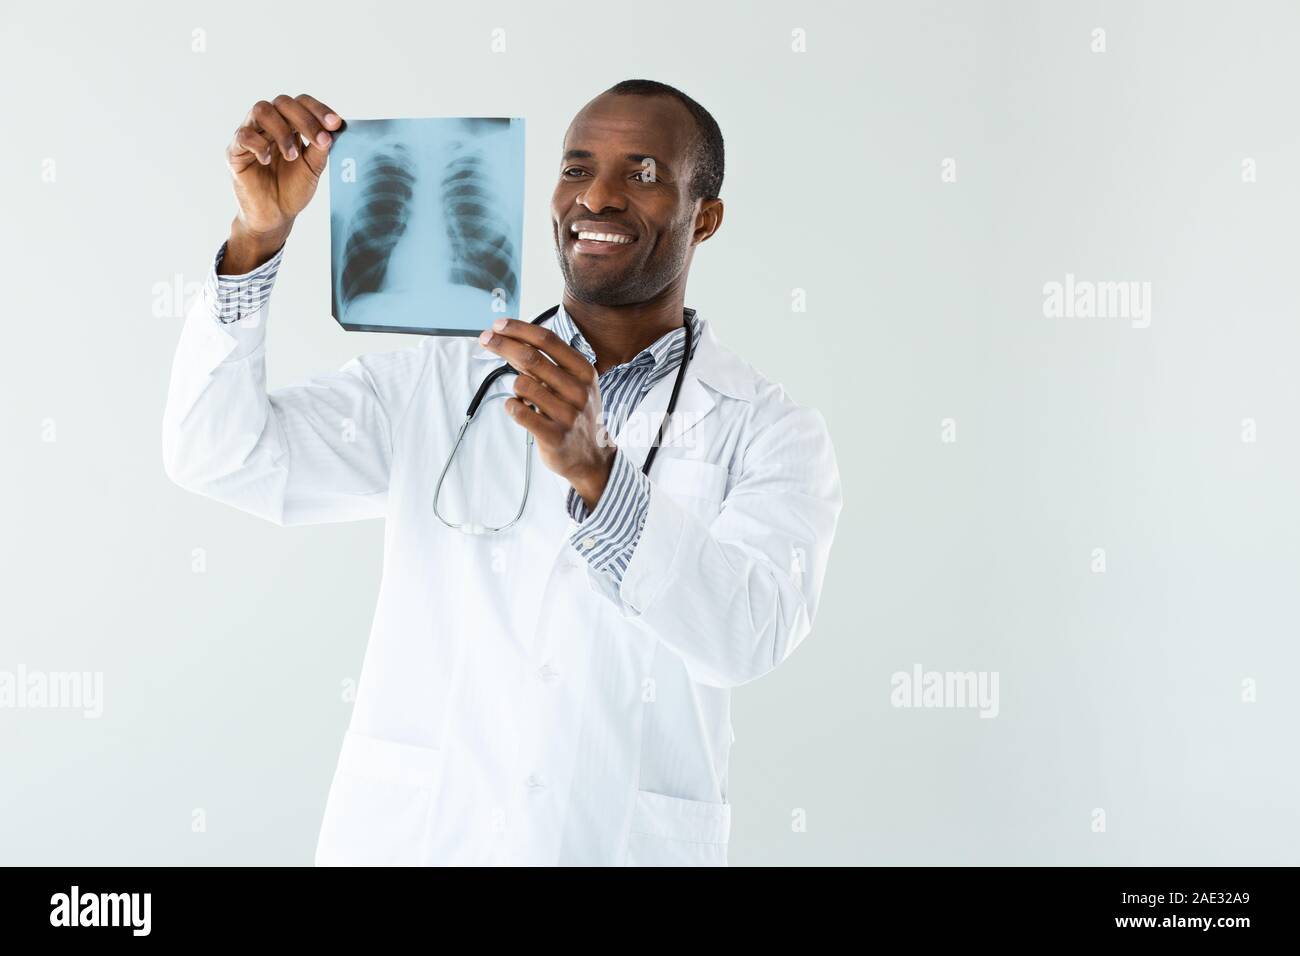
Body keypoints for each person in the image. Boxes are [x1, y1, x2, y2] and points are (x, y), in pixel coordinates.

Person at [162, 80, 842, 866]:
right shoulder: (442, 380)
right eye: (577, 168)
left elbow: (745, 638)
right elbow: (219, 454)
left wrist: (603, 478)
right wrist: (256, 239)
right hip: (424, 838)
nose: (600, 197)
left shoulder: (773, 432)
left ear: (707, 217)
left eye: (644, 173)